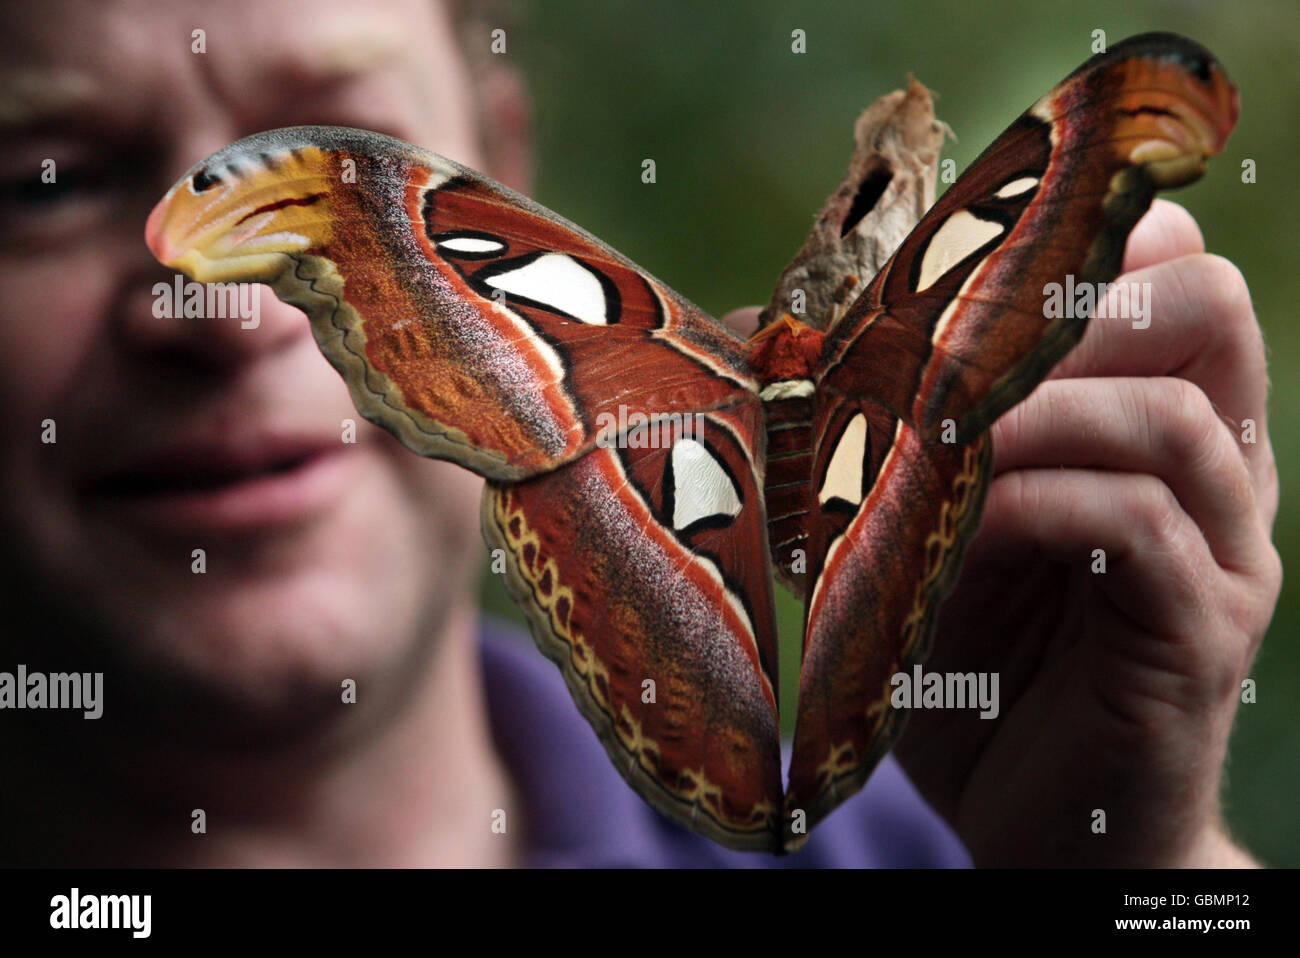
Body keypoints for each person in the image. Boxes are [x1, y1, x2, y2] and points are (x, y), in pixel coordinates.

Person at [0, 0, 1278, 867]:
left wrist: (1138, 864)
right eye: (50, 180)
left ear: (508, 162)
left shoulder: (900, 839)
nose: (224, 320)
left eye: (352, 137)